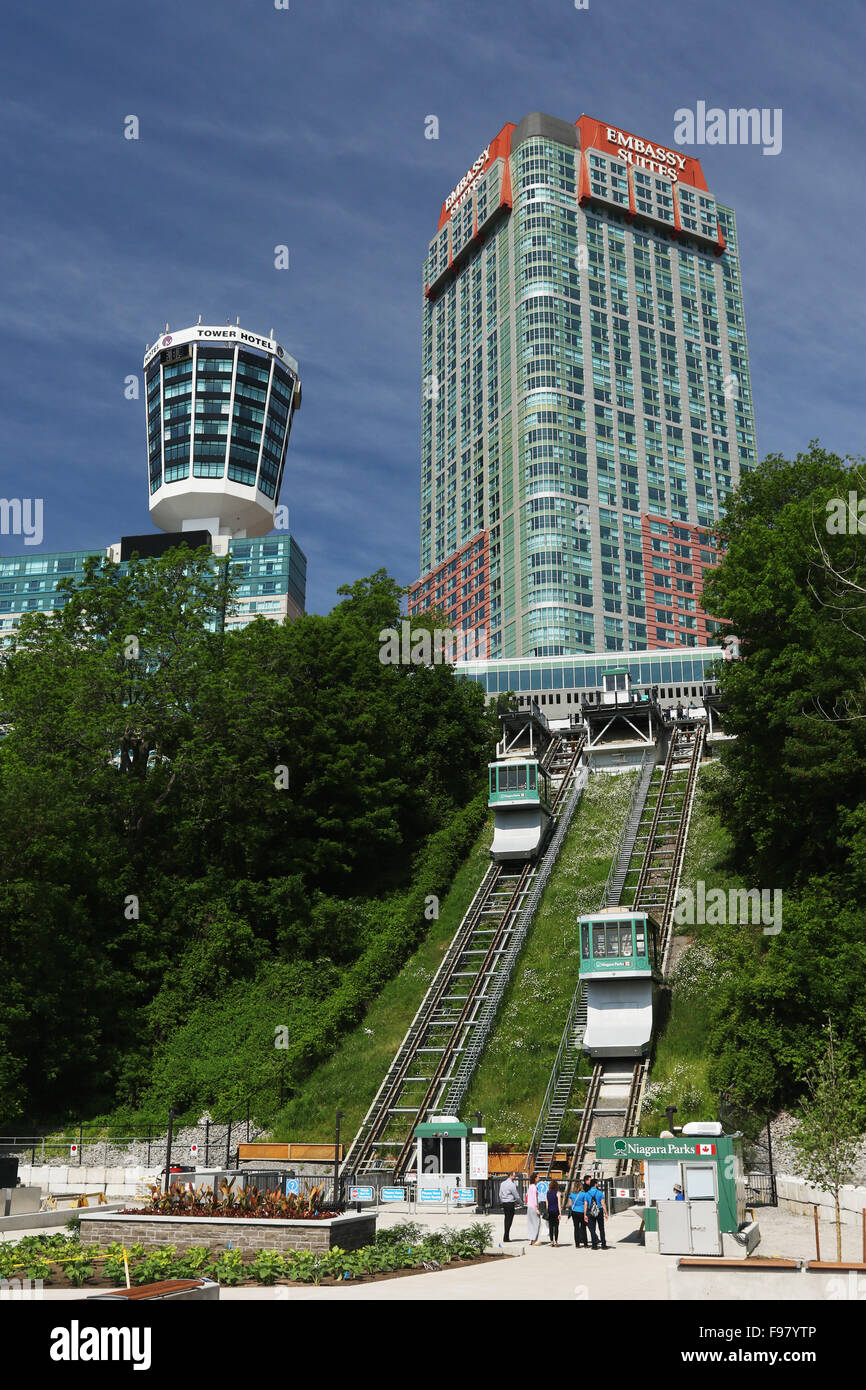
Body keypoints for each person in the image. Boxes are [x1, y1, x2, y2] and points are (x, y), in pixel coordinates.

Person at [584, 1179, 609, 1249]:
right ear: (595, 1184)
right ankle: (603, 1245)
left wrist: (585, 1215)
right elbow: (603, 1204)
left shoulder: (587, 1193)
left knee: (592, 1229)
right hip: (599, 1211)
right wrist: (606, 1213)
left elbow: (585, 1204)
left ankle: (594, 1245)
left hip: (590, 1211)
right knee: (601, 1228)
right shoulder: (600, 1193)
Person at [566, 1176, 591, 1248]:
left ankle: (577, 1244)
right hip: (582, 1212)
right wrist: (585, 1213)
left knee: (576, 1228)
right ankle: (585, 1244)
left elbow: (569, 1204)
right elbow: (586, 1204)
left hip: (574, 1212)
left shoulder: (572, 1194)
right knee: (583, 1228)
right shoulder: (584, 1194)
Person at [499, 1171, 520, 1242]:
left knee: (506, 1219)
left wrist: (502, 1200)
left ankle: (506, 1236)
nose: (514, 1177)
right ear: (510, 1176)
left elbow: (500, 1194)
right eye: (514, 1176)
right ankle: (506, 1236)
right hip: (510, 1203)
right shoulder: (511, 1184)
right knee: (509, 1220)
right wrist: (521, 1203)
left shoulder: (502, 1183)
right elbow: (516, 1195)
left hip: (504, 1203)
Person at [526, 1171, 541, 1245]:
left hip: (529, 1207)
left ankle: (531, 1239)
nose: (539, 1178)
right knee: (537, 1223)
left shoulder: (530, 1186)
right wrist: (536, 1208)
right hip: (534, 1207)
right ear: (535, 1178)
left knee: (531, 1223)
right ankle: (534, 1240)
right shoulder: (534, 1187)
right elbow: (535, 1198)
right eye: (538, 1177)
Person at [546, 1179, 561, 1246]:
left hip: (550, 1211)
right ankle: (556, 1241)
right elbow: (559, 1204)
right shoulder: (558, 1193)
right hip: (556, 1211)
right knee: (556, 1227)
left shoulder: (548, 1193)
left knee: (551, 1226)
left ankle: (551, 1241)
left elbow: (547, 1204)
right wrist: (560, 1213)